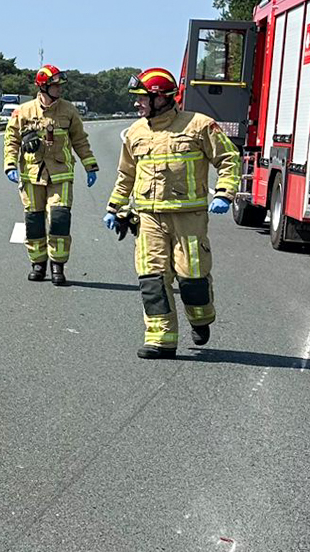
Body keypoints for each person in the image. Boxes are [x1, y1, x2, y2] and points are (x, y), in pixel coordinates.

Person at [103, 67, 242, 359]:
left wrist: (224, 193)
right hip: (149, 218)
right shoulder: (135, 133)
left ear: (160, 98)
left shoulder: (199, 125)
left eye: (142, 99)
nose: (136, 104)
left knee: (192, 277)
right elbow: (126, 174)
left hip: (188, 217)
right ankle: (161, 339)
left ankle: (201, 318)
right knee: (152, 278)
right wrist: (114, 207)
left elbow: (229, 158)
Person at [2, 64, 97, 285]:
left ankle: (58, 266)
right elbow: (11, 140)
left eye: (60, 85)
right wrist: (10, 164)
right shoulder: (23, 112)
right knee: (34, 221)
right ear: (43, 87)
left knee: (60, 219)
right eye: (55, 86)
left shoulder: (69, 110)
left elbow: (80, 140)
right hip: (31, 174)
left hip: (61, 173)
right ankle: (38, 264)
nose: (59, 89)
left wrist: (90, 165)